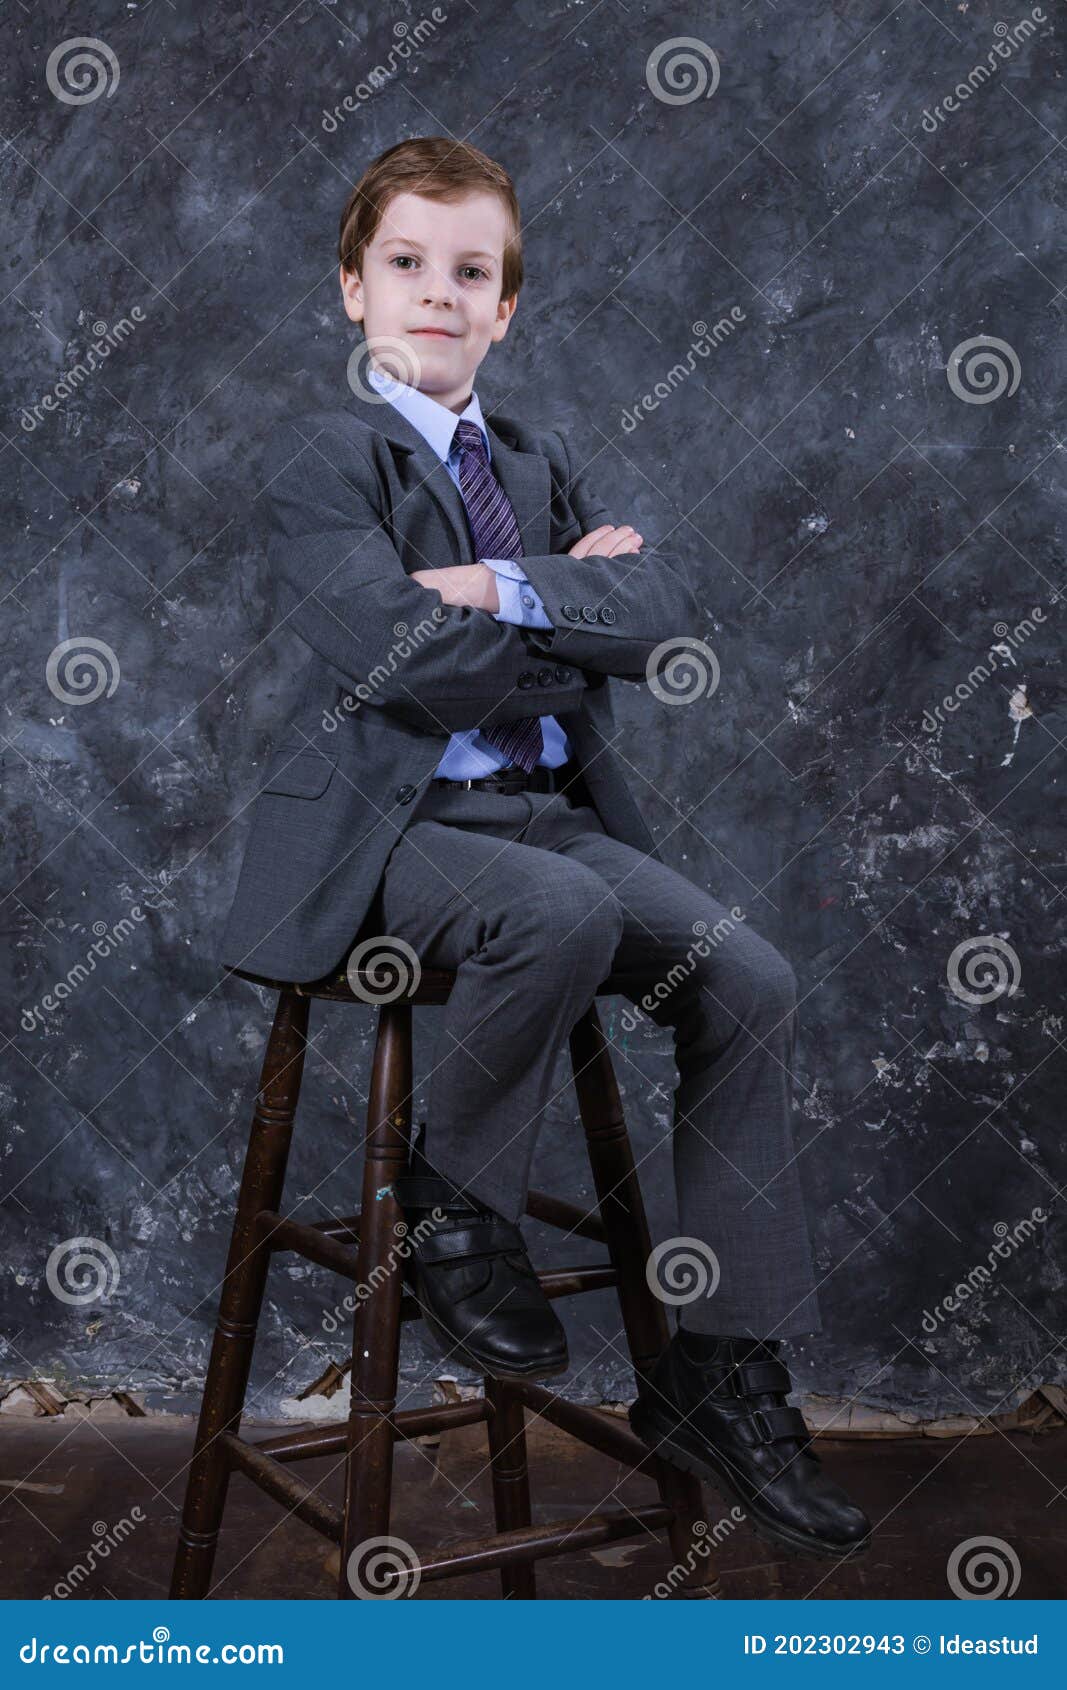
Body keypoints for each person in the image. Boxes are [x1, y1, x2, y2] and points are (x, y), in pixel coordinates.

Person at [220, 134, 870, 1560]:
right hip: (396, 840)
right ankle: (454, 1204)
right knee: (557, 912)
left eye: (472, 272)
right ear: (352, 290)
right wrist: (570, 616)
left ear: (506, 307)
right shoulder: (321, 458)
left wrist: (497, 582)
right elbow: (403, 661)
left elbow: (666, 610)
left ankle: (717, 1365)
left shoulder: (535, 457)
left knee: (749, 977)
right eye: (408, 265)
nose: (438, 294)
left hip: (550, 821)